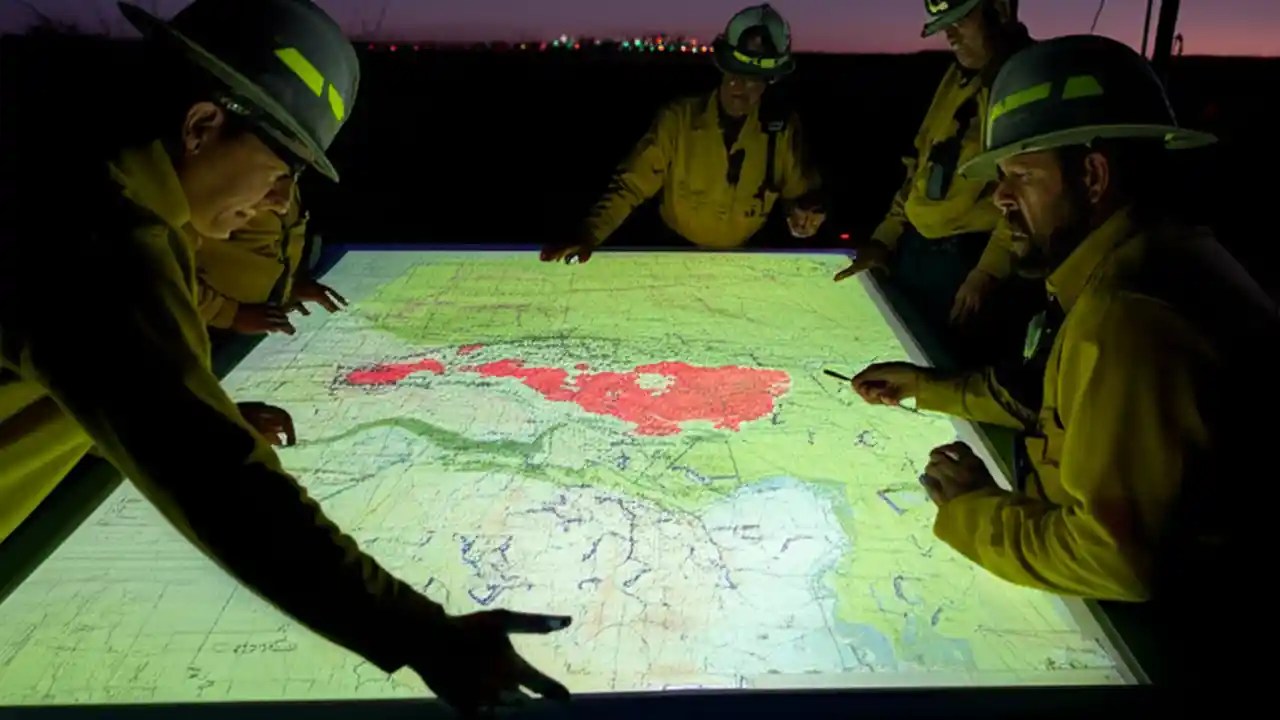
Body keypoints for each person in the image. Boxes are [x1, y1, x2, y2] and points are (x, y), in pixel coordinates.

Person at [0, 0, 570, 714]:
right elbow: (211, 477)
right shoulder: (103, 242)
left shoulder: (84, 187)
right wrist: (424, 635)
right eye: (278, 172)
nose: (277, 205)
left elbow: (103, 373)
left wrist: (193, 404)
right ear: (202, 125)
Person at [849, 35, 1275, 614]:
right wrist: (925, 389)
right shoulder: (1126, 261)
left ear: (1093, 176)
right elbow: (1044, 402)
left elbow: (1113, 560)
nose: (999, 198)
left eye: (1021, 175)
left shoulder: (1129, 320)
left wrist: (971, 508)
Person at [541, 3, 825, 264]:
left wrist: (803, 214)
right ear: (721, 69)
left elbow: (800, 192)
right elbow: (630, 186)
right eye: (734, 73)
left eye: (754, 80)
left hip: (741, 258)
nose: (741, 87)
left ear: (769, 81)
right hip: (674, 249)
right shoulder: (677, 119)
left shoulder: (782, 128)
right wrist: (589, 235)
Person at [835, 0, 1036, 366]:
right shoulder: (959, 75)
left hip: (967, 267)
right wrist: (884, 239)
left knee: (950, 372)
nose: (950, 34)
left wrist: (986, 273)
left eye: (961, 19)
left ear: (1001, 10)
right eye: (945, 24)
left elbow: (1027, 193)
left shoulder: (1027, 79)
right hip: (918, 255)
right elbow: (921, 165)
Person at [196, 181, 348, 337]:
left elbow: (278, 242)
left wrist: (287, 287)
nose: (283, 201)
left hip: (261, 321)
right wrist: (226, 314)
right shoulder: (211, 188)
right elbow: (172, 272)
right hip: (205, 329)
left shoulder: (284, 177)